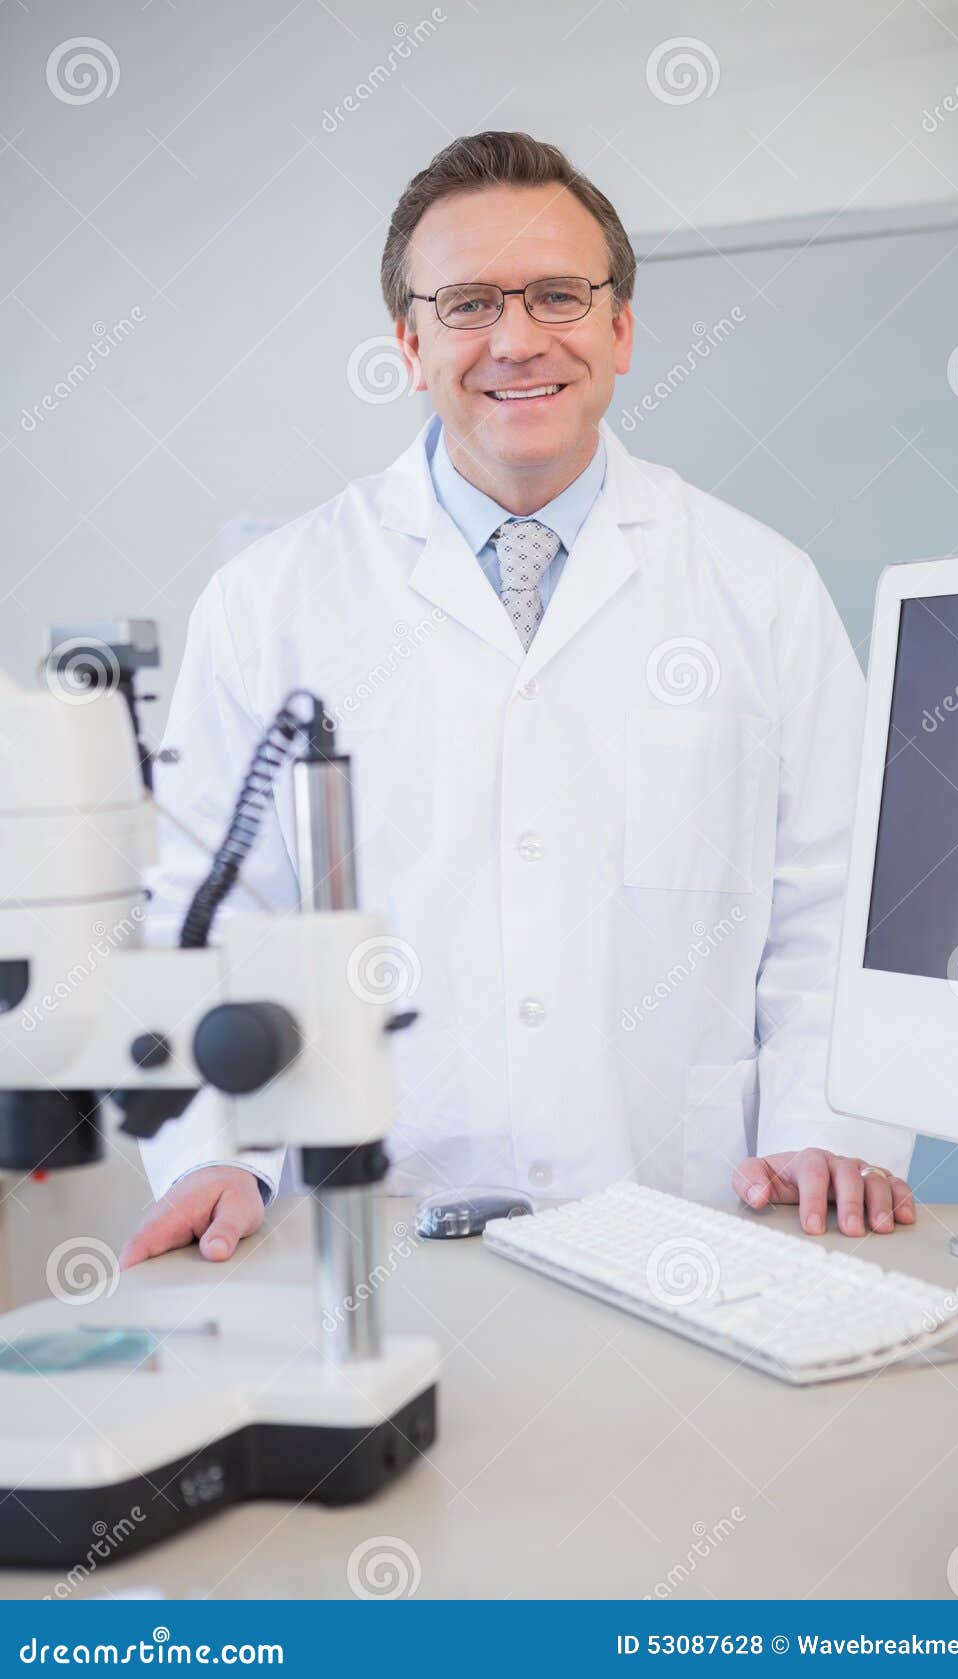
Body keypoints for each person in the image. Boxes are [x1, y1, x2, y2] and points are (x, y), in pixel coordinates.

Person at [119, 131, 914, 1271]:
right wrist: (211, 1152)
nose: (516, 339)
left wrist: (820, 1129)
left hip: (700, 1219)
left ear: (620, 328)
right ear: (408, 342)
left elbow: (836, 900)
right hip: (375, 1227)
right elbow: (205, 912)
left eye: (557, 295)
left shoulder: (759, 586)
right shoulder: (269, 601)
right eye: (467, 303)